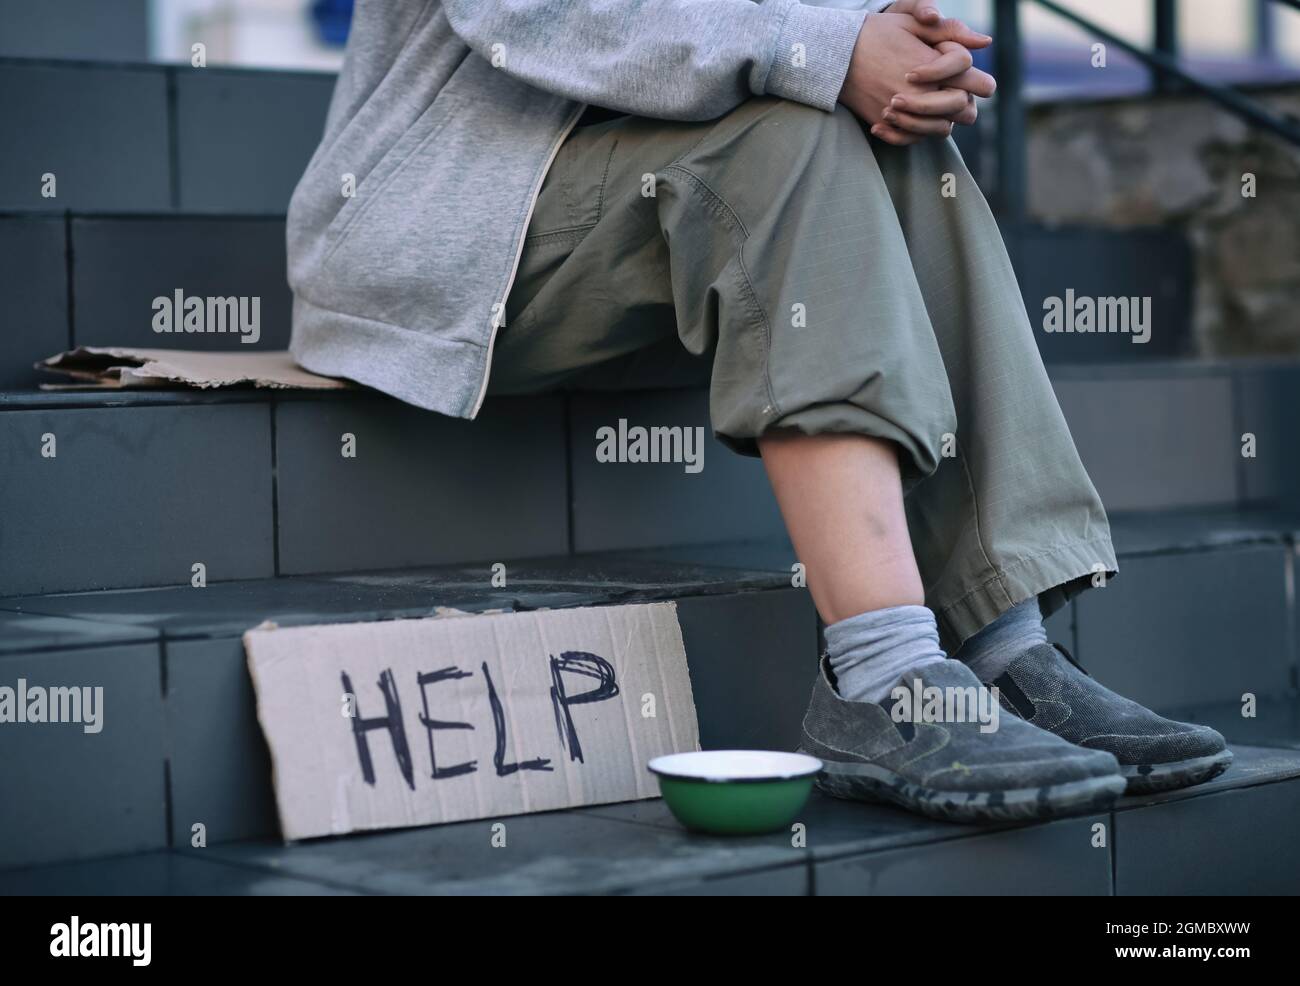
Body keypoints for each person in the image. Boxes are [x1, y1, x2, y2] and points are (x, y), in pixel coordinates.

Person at [286, 0, 1232, 822]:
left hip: (664, 193)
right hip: (450, 218)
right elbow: (521, 17)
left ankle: (996, 642)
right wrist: (820, 48)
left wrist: (891, 46)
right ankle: (882, 671)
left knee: (893, 141)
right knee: (800, 132)